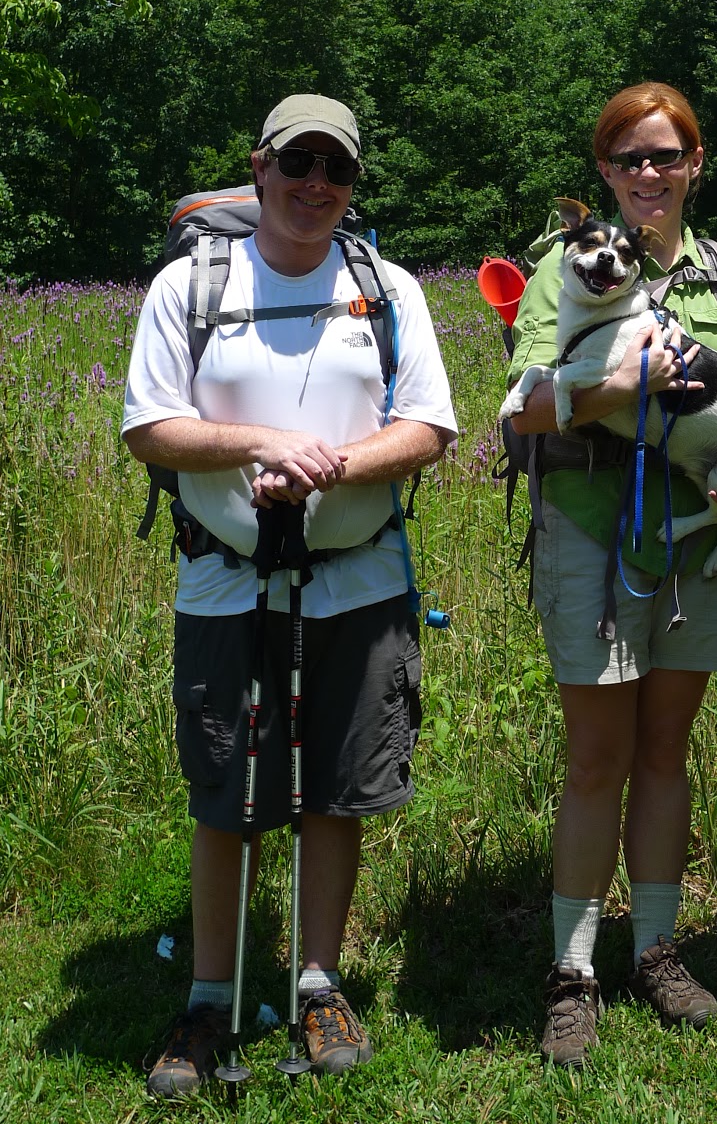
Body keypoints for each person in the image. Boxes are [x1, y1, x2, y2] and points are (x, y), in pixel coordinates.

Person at [123, 95, 457, 1097]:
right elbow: (150, 426)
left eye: (338, 169)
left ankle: (318, 981)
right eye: (300, 162)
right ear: (259, 167)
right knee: (225, 791)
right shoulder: (191, 283)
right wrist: (266, 446)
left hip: (356, 581)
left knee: (337, 788)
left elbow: (430, 426)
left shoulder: (387, 286)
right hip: (227, 582)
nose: (318, 184)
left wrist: (335, 467)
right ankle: (207, 998)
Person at [507, 82, 717, 1065]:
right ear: (605, 175)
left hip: (701, 536)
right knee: (596, 757)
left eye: (667, 156)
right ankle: (572, 971)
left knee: (667, 749)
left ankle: (655, 950)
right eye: (629, 160)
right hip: (589, 525)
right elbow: (526, 410)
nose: (649, 175)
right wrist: (628, 383)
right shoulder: (560, 270)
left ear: (696, 163)